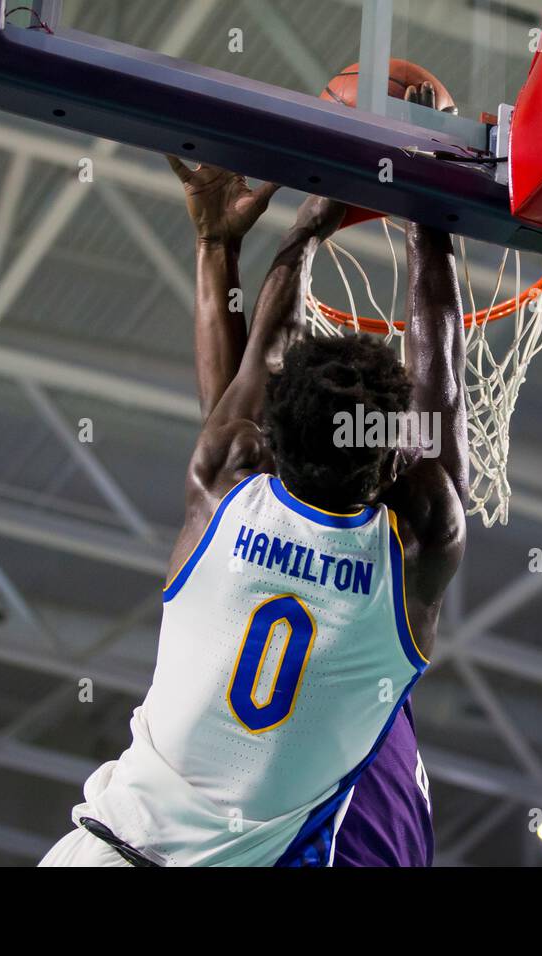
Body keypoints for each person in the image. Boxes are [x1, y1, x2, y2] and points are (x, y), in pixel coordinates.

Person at [40, 86, 468, 868]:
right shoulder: (408, 555)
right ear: (390, 460)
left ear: (266, 438)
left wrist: (308, 230)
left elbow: (261, 366)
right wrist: (426, 215)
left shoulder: (225, 478)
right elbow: (438, 405)